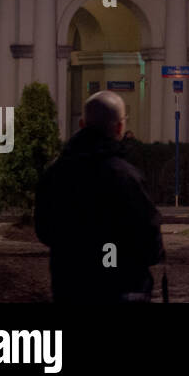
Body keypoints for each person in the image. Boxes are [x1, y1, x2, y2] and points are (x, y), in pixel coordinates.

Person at [35, 91, 164, 302]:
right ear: (120, 127)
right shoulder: (125, 175)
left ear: (81, 124)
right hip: (122, 286)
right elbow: (149, 237)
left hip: (70, 284)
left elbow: (44, 230)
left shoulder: (57, 173)